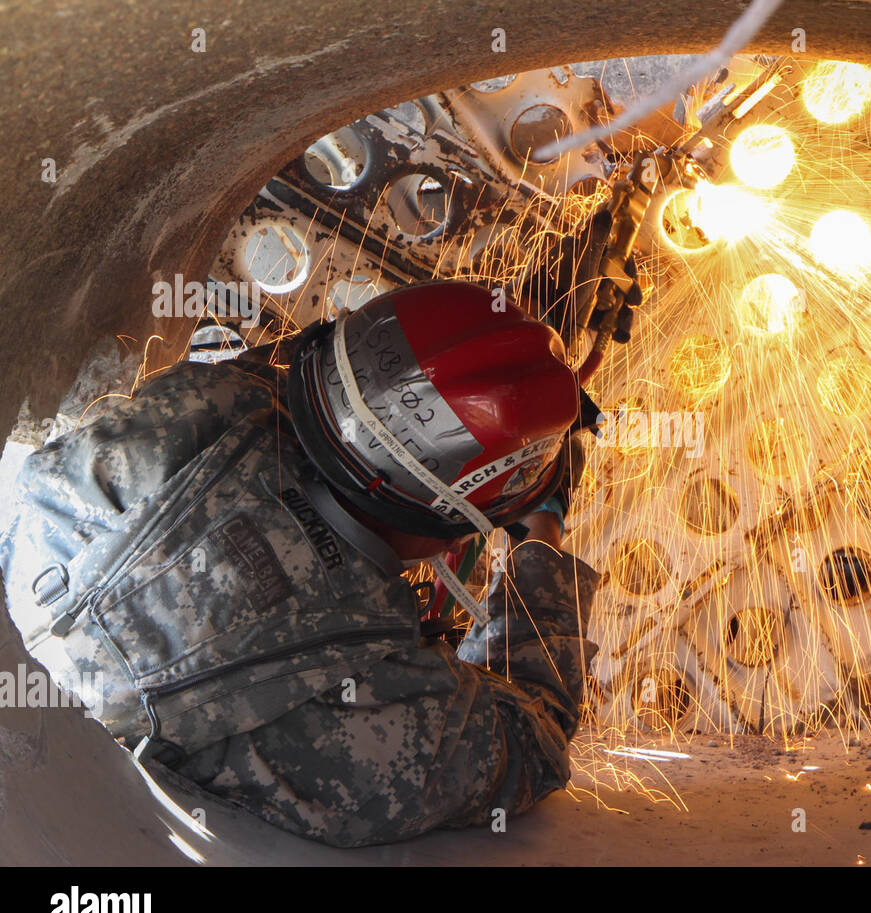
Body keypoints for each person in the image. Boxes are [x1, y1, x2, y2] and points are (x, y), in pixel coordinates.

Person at [0, 280, 603, 848]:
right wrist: (541, 539)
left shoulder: (198, 405)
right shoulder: (363, 716)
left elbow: (317, 367)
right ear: (456, 527)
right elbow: (533, 737)